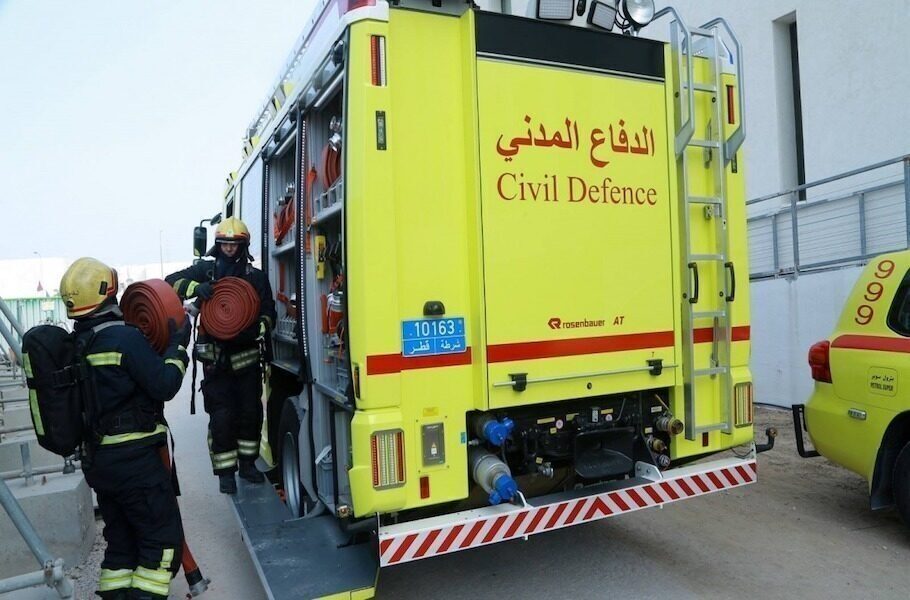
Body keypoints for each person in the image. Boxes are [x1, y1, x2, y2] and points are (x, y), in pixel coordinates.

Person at [59, 257, 190, 600]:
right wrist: (178, 346)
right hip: (135, 464)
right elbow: (165, 385)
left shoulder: (74, 347)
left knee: (121, 543)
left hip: (99, 463)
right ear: (109, 291)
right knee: (160, 544)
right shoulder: (125, 339)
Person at [165, 216, 276, 494]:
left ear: (243, 246)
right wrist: (195, 289)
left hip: (247, 359)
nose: (229, 249)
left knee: (250, 415)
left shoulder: (255, 277)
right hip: (216, 363)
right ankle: (226, 473)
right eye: (224, 244)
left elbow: (269, 311)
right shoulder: (207, 271)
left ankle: (248, 465)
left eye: (234, 244)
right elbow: (170, 283)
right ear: (218, 245)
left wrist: (257, 328)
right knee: (222, 418)